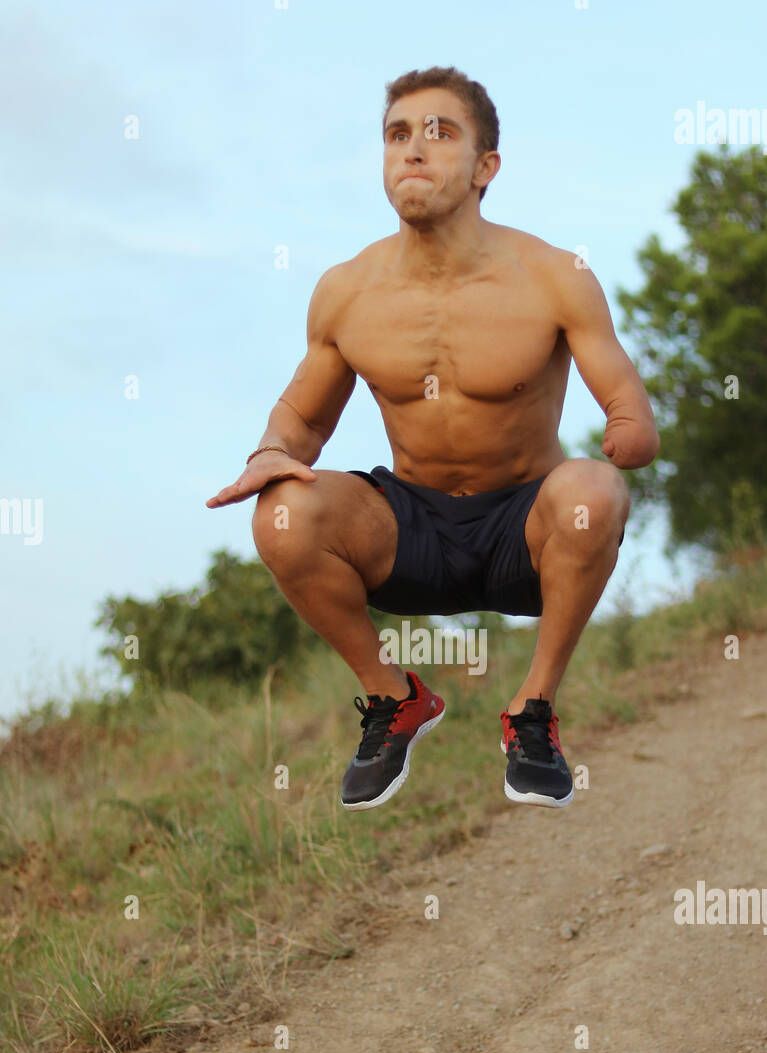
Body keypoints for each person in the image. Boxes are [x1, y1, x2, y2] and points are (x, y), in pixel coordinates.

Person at [207, 65, 658, 811]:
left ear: (487, 168)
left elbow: (626, 404)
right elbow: (303, 420)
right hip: (412, 532)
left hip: (525, 532)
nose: (413, 150)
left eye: (440, 133)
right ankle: (394, 699)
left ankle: (531, 713)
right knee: (283, 510)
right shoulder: (347, 289)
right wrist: (268, 454)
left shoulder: (554, 275)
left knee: (592, 491)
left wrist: (628, 438)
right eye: (397, 135)